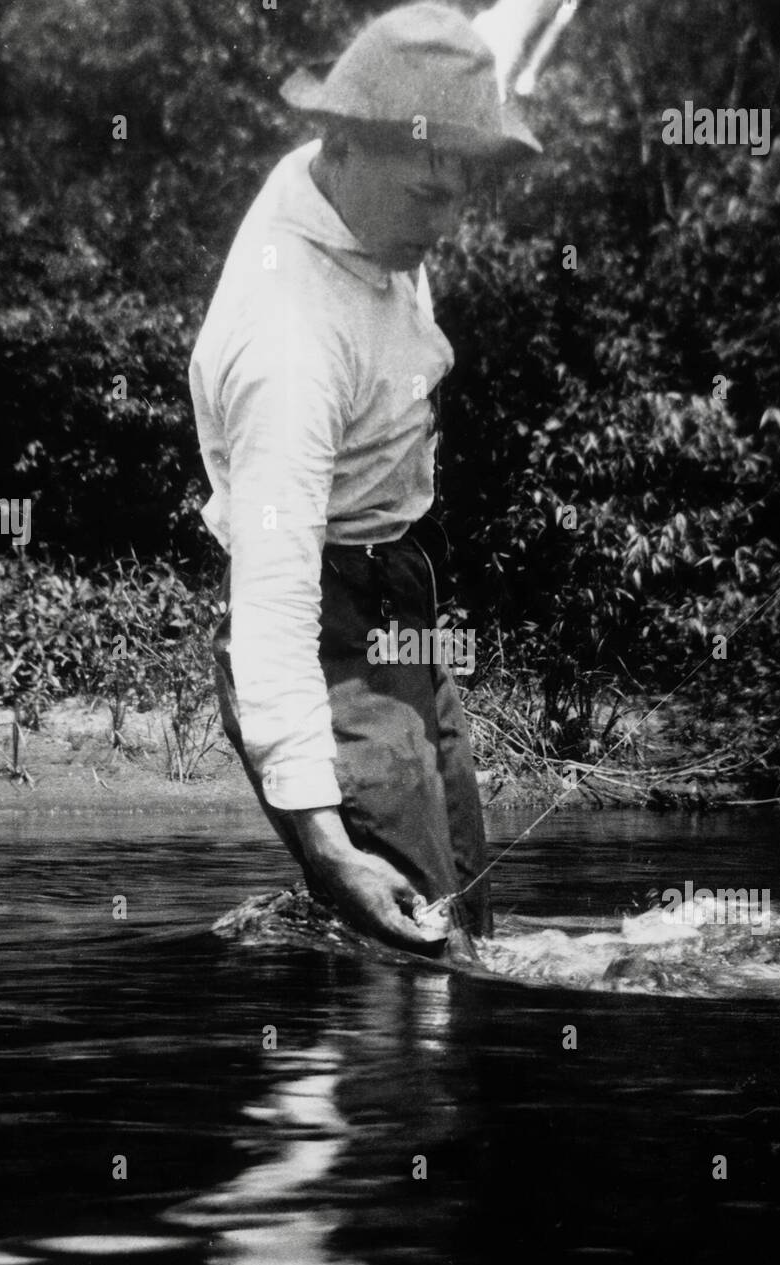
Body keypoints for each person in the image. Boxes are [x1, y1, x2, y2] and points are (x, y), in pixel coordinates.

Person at [189, 3, 541, 949]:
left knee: (473, 929)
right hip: (323, 630)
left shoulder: (365, 159)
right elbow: (270, 608)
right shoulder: (288, 347)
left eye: (463, 186)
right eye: (427, 193)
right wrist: (322, 846)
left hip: (405, 599)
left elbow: (479, 56)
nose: (450, 216)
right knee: (422, 948)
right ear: (339, 147)